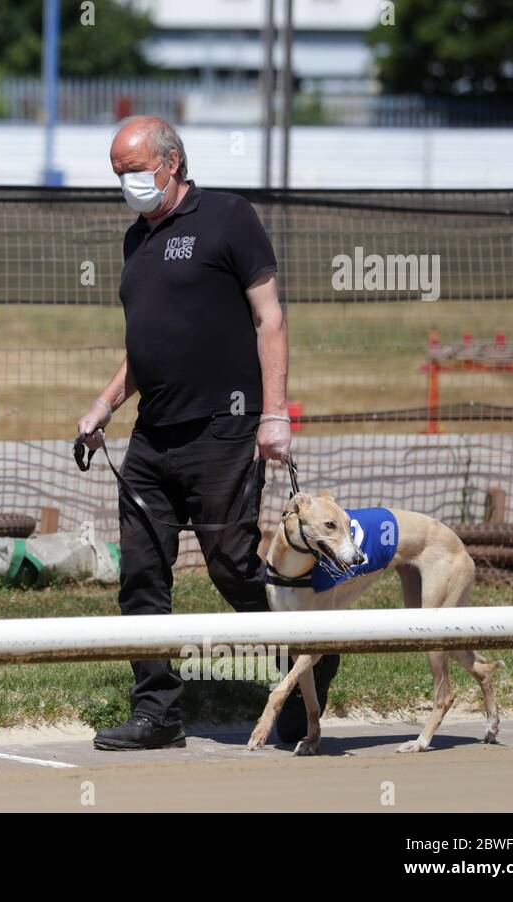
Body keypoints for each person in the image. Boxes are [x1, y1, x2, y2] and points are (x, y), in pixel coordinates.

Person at [78, 116, 338, 751]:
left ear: (170, 163)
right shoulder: (134, 243)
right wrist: (107, 403)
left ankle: (310, 661)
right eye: (117, 173)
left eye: (133, 169)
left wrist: (274, 414)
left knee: (232, 568)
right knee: (141, 573)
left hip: (225, 425)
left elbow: (269, 317)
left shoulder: (228, 218)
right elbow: (149, 346)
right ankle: (157, 714)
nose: (126, 182)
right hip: (151, 438)